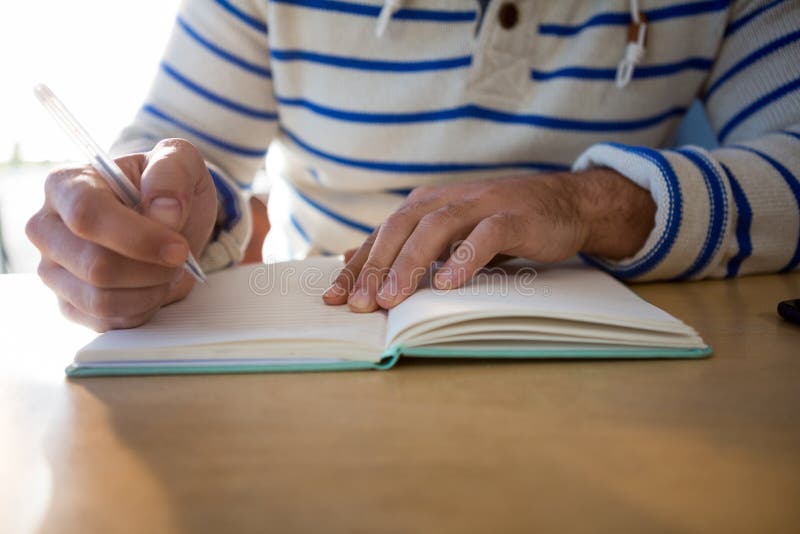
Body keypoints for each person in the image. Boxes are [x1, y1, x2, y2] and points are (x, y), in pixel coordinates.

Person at [26, 0, 800, 331]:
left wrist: (593, 203)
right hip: (323, 360)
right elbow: (182, 148)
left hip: (623, 372)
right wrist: (155, 214)